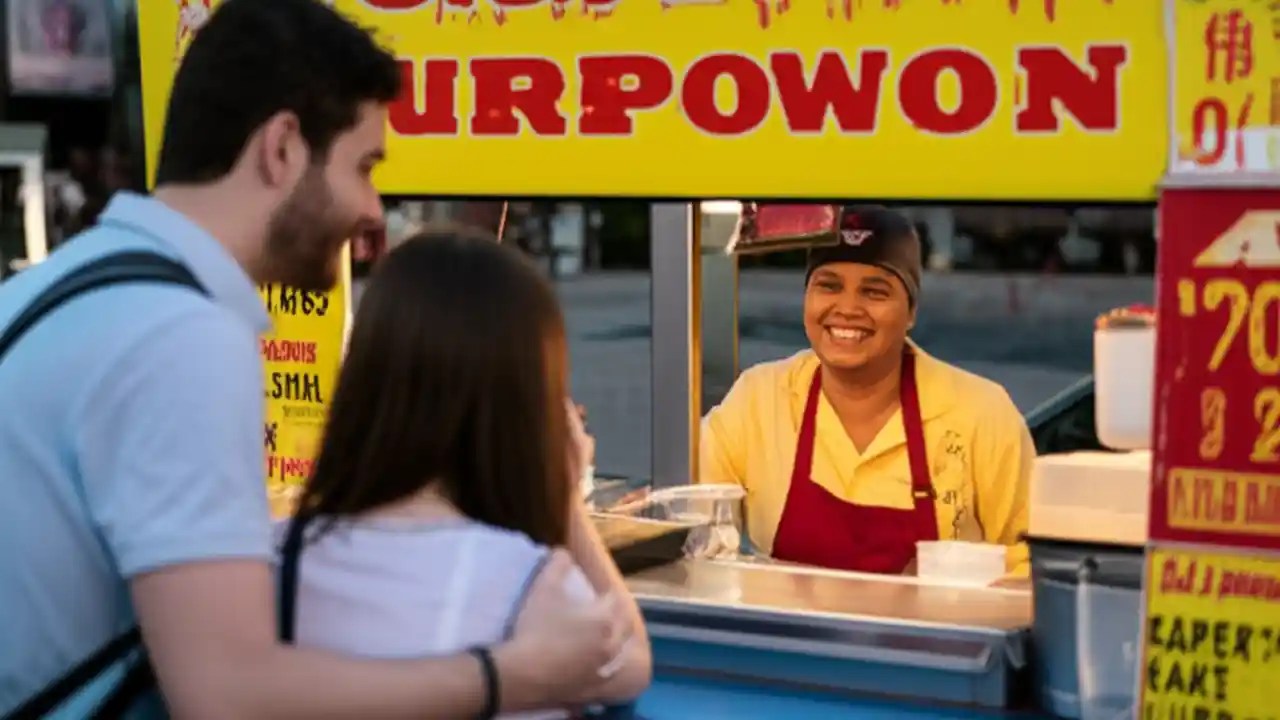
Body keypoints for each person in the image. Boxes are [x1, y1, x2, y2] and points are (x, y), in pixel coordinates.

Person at [0, 0, 625, 716]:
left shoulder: (59, 289)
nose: (372, 208)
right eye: (364, 166)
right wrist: (511, 676)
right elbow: (230, 696)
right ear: (283, 148)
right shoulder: (181, 338)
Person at [278, 233, 652, 717]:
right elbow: (629, 665)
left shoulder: (274, 560)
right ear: (524, 408)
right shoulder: (530, 582)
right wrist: (565, 500)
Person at [700, 205, 1034, 576]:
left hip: (934, 634)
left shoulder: (981, 413)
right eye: (828, 285)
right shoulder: (759, 399)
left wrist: (954, 581)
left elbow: (1033, 565)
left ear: (910, 312)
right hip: (791, 634)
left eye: (875, 292)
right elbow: (692, 516)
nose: (847, 308)